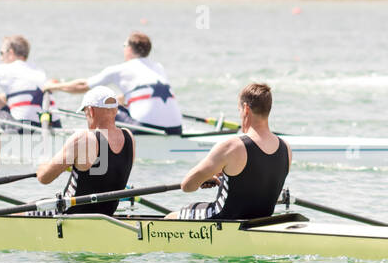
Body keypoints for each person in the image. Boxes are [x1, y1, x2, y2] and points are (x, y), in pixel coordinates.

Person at [172, 82, 290, 220]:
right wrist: (226, 176)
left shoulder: (232, 147)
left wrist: (205, 177)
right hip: (261, 220)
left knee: (170, 217)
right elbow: (257, 182)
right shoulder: (286, 148)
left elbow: (187, 186)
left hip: (224, 219)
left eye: (239, 110)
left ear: (246, 109)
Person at [44, 31, 182, 134]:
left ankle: (96, 145)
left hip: (146, 129)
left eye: (124, 46)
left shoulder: (120, 69)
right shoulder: (158, 67)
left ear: (128, 49)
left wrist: (53, 86)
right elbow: (141, 94)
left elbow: (83, 86)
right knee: (116, 103)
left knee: (102, 107)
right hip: (176, 129)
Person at [35, 86, 135, 215]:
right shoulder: (129, 137)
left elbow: (44, 178)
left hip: (69, 215)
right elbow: (107, 173)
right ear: (115, 110)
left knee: (16, 214)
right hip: (106, 216)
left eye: (85, 113)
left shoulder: (84, 138)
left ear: (90, 111)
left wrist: (42, 167)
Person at [0, 35, 61, 131]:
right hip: (53, 126)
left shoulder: (4, 69)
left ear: (10, 53)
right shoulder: (39, 71)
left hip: (24, 128)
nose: (1, 58)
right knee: (3, 97)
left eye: (1, 53)